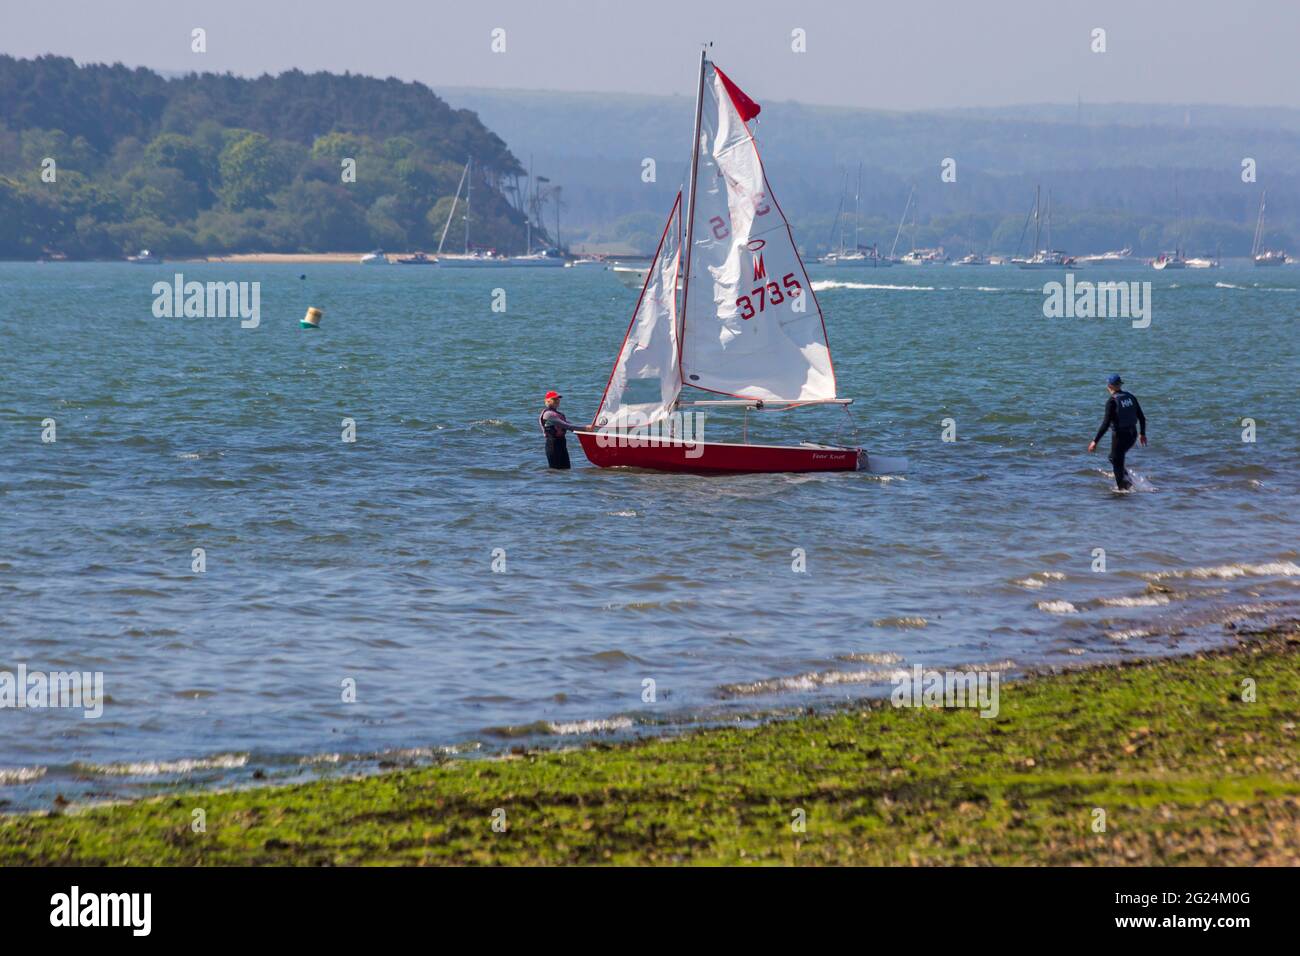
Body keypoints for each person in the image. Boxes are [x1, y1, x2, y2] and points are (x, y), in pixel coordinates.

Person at [1088, 374, 1147, 490]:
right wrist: (1142, 434)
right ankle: (1127, 481)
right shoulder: (1130, 397)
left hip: (1120, 436)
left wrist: (1095, 441)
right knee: (1115, 458)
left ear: (1109, 386)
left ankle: (1124, 489)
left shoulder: (1112, 401)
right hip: (1132, 435)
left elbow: (1105, 424)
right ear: (1120, 384)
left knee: (1115, 460)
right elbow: (1142, 417)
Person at [539, 390, 581, 469]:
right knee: (556, 471)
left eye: (558, 399)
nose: (557, 401)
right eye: (554, 399)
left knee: (566, 470)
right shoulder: (548, 414)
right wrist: (585, 428)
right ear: (548, 401)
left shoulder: (559, 414)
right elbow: (567, 426)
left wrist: (586, 432)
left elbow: (571, 426)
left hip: (562, 444)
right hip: (553, 445)